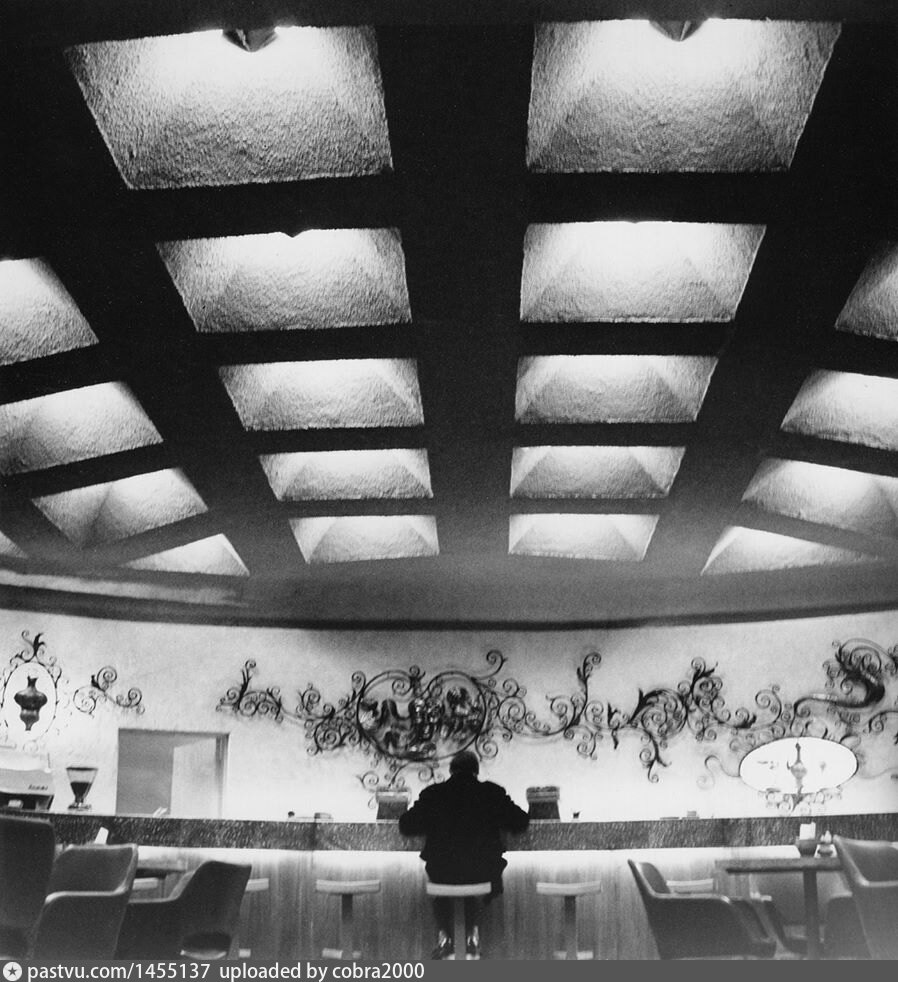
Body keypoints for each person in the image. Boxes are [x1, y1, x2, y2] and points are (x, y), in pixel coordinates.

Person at [398, 749, 529, 959]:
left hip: (443, 874)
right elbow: (521, 822)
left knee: (446, 879)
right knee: (474, 877)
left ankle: (445, 935)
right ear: (476, 771)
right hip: (482, 874)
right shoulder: (491, 793)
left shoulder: (434, 794)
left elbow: (406, 825)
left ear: (451, 771)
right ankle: (472, 933)